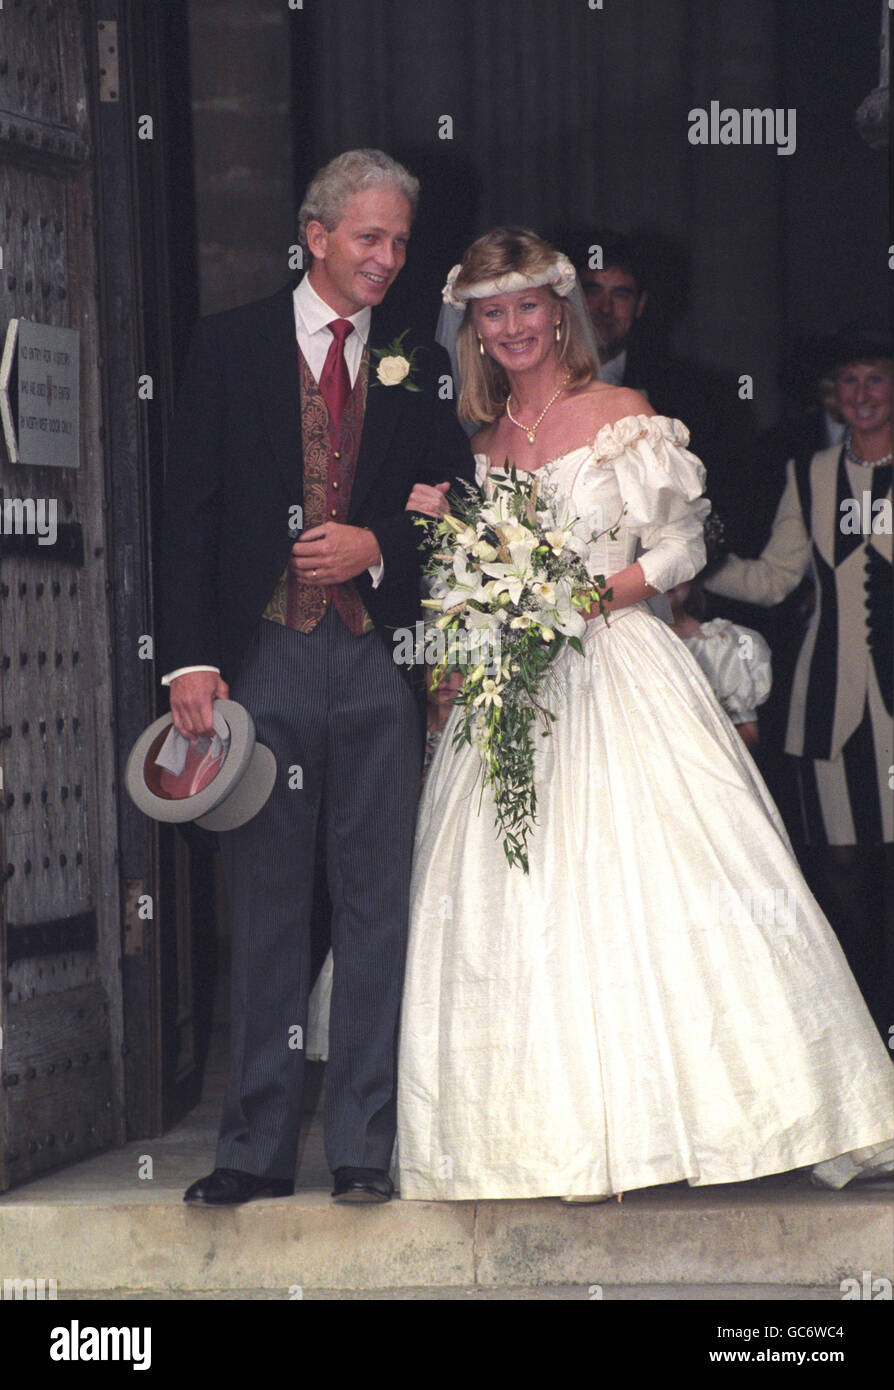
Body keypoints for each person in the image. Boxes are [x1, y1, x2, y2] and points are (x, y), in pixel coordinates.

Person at [395, 228, 894, 1202]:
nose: (510, 328)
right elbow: (471, 576)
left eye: (526, 307)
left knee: (674, 881)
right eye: (490, 313)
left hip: (618, 661)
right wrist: (479, 600)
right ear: (475, 328)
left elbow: (679, 549)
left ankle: (724, 1118)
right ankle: (539, 1137)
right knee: (513, 892)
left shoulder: (623, 414)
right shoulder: (482, 442)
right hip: (517, 683)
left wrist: (587, 598)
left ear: (558, 311)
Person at [159, 149, 474, 1206]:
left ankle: (361, 1148)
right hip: (260, 661)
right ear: (318, 236)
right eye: (371, 238)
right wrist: (190, 660)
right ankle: (251, 1148)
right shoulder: (230, 344)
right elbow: (187, 509)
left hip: (378, 656)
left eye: (399, 242)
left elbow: (453, 503)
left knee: (378, 902)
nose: (389, 259)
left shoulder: (418, 361)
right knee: (267, 903)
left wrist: (375, 547)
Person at [704, 327, 893, 1036]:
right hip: (828, 702)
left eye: (875, 379)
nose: (861, 395)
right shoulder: (811, 474)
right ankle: (866, 1026)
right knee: (842, 867)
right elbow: (777, 579)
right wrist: (693, 565)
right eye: (849, 382)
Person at [667, 574, 772, 751]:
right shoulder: (629, 649)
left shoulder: (730, 644)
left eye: (673, 567)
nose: (664, 578)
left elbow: (748, 731)